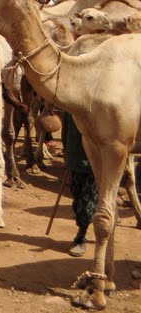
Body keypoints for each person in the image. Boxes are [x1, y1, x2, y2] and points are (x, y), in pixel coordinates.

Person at [61, 110, 96, 257]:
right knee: (76, 196)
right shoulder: (70, 109)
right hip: (74, 158)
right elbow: (65, 131)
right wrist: (67, 153)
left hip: (93, 162)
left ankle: (80, 237)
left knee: (86, 201)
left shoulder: (97, 107)